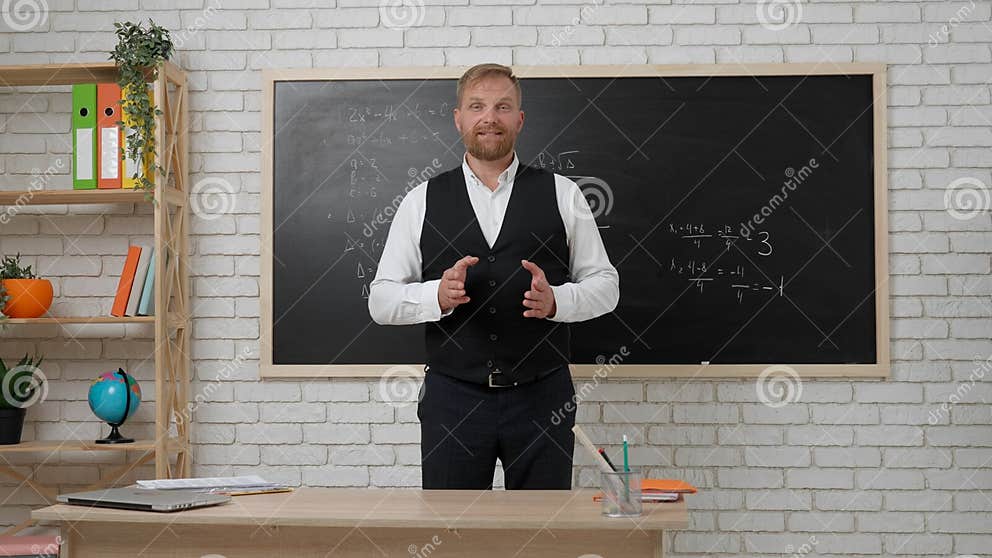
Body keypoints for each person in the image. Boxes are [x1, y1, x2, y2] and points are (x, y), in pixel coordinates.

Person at [369, 63, 619, 490]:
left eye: (503, 107)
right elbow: (381, 301)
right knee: (452, 538)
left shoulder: (564, 193)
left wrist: (558, 302)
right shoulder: (421, 200)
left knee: (544, 536)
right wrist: (437, 297)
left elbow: (606, 286)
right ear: (459, 118)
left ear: (519, 119)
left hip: (543, 396)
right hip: (452, 399)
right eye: (477, 106)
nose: (490, 117)